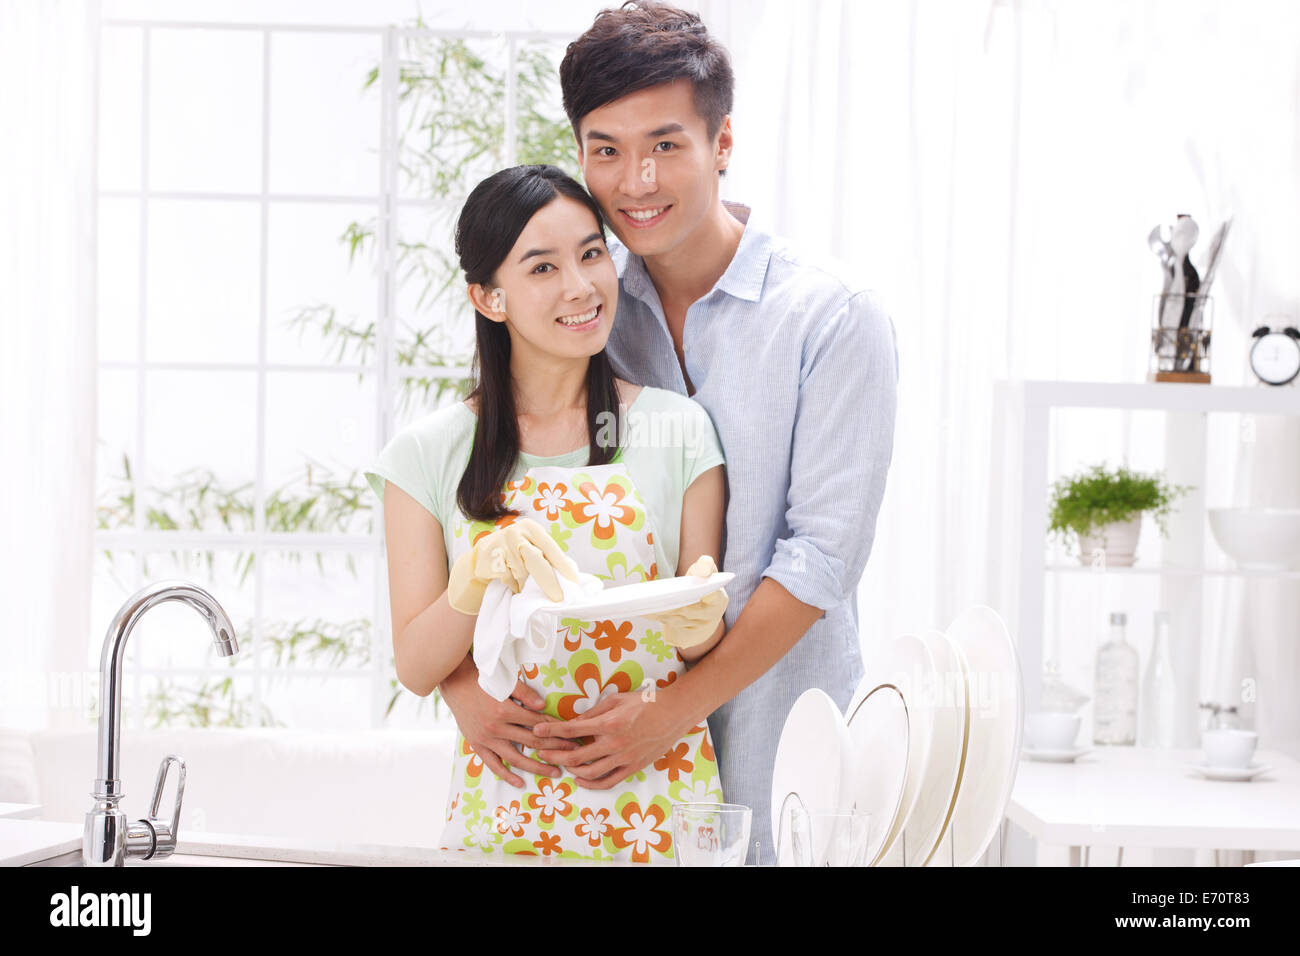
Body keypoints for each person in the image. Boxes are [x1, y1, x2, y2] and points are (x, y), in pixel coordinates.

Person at [518, 0, 899, 865]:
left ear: (721, 145)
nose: (636, 182)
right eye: (606, 151)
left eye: (665, 145)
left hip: (784, 753)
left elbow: (823, 556)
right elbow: (500, 507)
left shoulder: (833, 318)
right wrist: (470, 695)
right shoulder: (583, 312)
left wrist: (670, 714)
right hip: (609, 771)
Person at [364, 164, 730, 861]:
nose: (580, 286)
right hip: (509, 805)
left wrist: (700, 620)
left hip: (657, 801)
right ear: (488, 298)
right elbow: (415, 664)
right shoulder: (426, 454)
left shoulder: (679, 431)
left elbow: (696, 649)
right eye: (542, 268)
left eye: (592, 253)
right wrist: (471, 589)